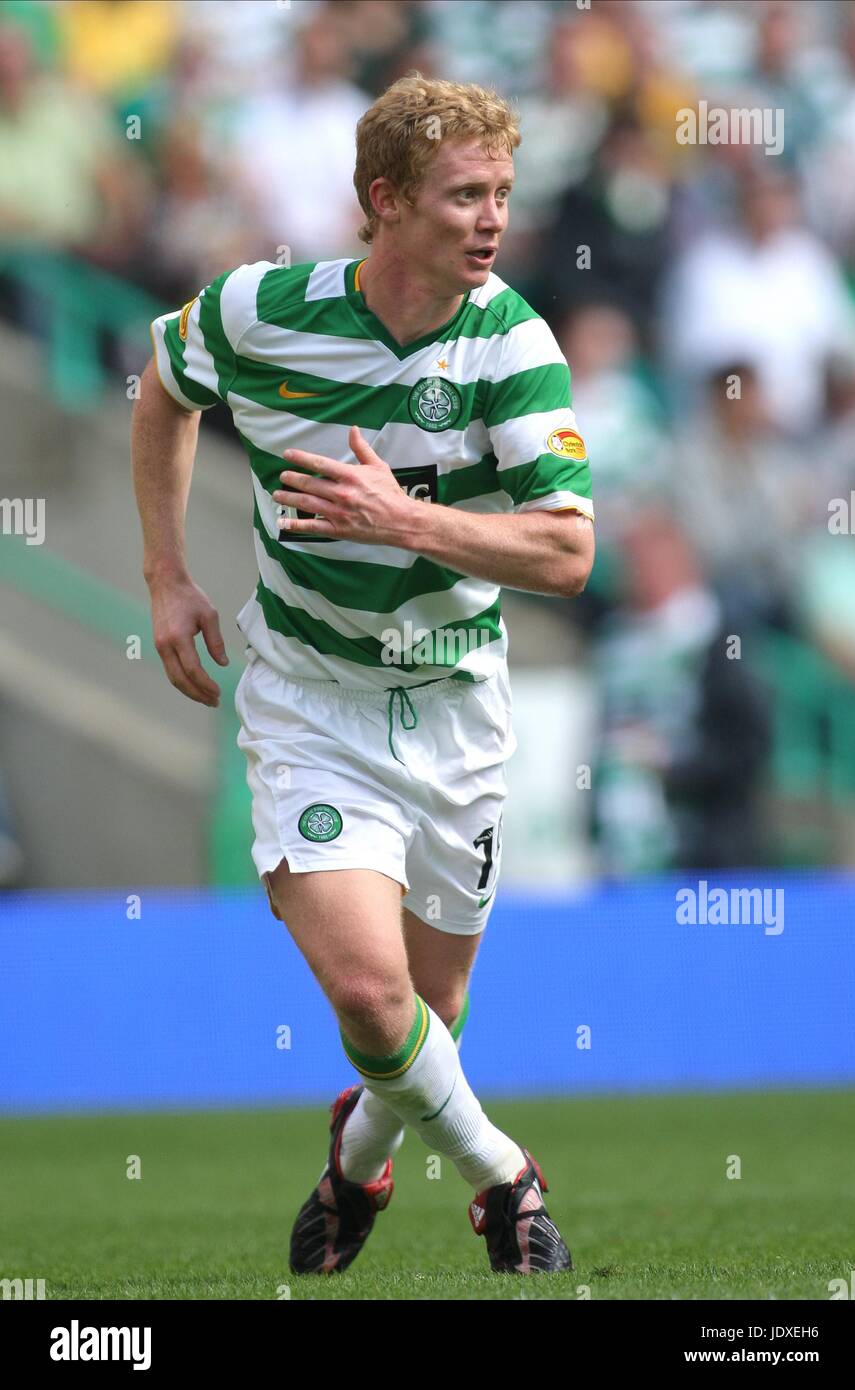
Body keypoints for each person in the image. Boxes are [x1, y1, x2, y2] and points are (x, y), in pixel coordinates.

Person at [131, 71, 594, 1277]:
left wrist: (409, 522)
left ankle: (357, 1159)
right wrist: (165, 574)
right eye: (462, 196)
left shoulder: (511, 343)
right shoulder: (257, 310)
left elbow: (567, 547)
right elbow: (164, 388)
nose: (490, 218)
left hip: (455, 704)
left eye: (499, 192)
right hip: (308, 695)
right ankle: (504, 1176)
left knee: (425, 1021)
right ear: (383, 202)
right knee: (371, 999)